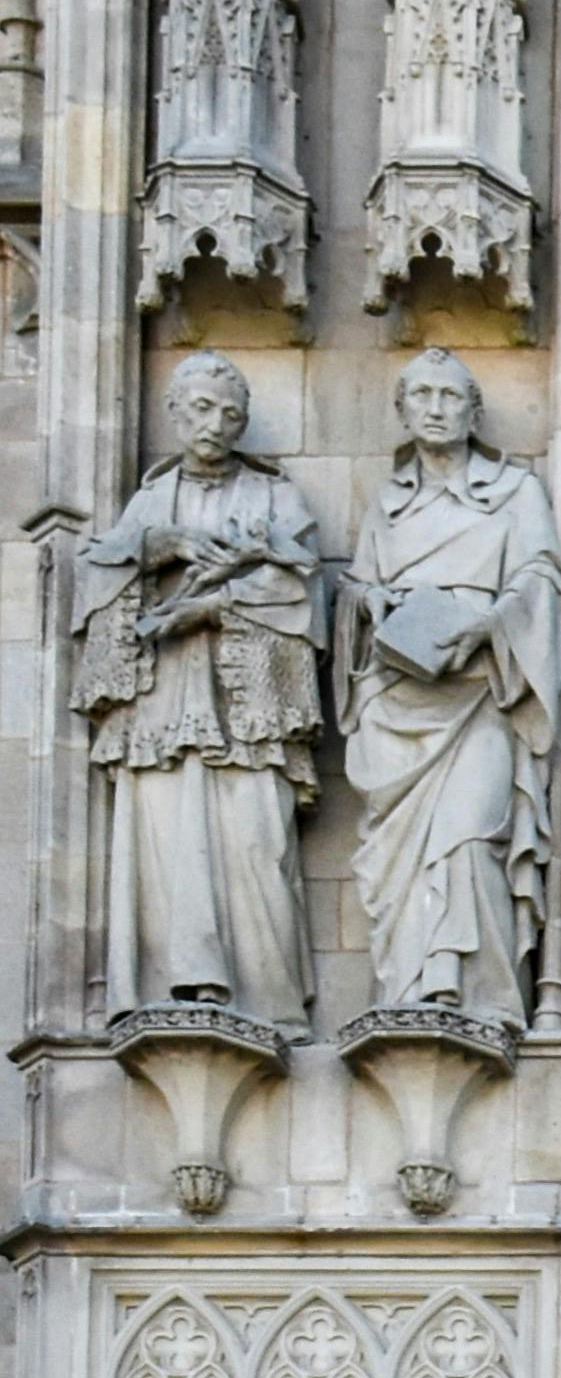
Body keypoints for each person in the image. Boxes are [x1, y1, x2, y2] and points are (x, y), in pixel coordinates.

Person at [78, 348, 335, 1021]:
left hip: (248, 710)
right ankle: (164, 988)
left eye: (230, 414)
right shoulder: (149, 499)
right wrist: (154, 547)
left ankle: (267, 1003)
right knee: (162, 838)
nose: (214, 424)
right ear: (172, 412)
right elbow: (93, 581)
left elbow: (305, 587)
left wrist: (217, 607)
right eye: (200, 409)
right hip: (161, 708)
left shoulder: (275, 495)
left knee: (256, 841)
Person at [340, 347, 561, 1021]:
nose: (436, 409)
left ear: (474, 412)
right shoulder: (387, 505)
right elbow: (355, 588)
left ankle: (477, 1000)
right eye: (422, 396)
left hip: (480, 692)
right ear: (402, 411)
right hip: (399, 698)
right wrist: (372, 603)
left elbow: (543, 580)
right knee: (401, 867)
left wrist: (489, 625)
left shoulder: (516, 493)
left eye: (450, 397)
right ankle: (411, 990)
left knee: (471, 838)